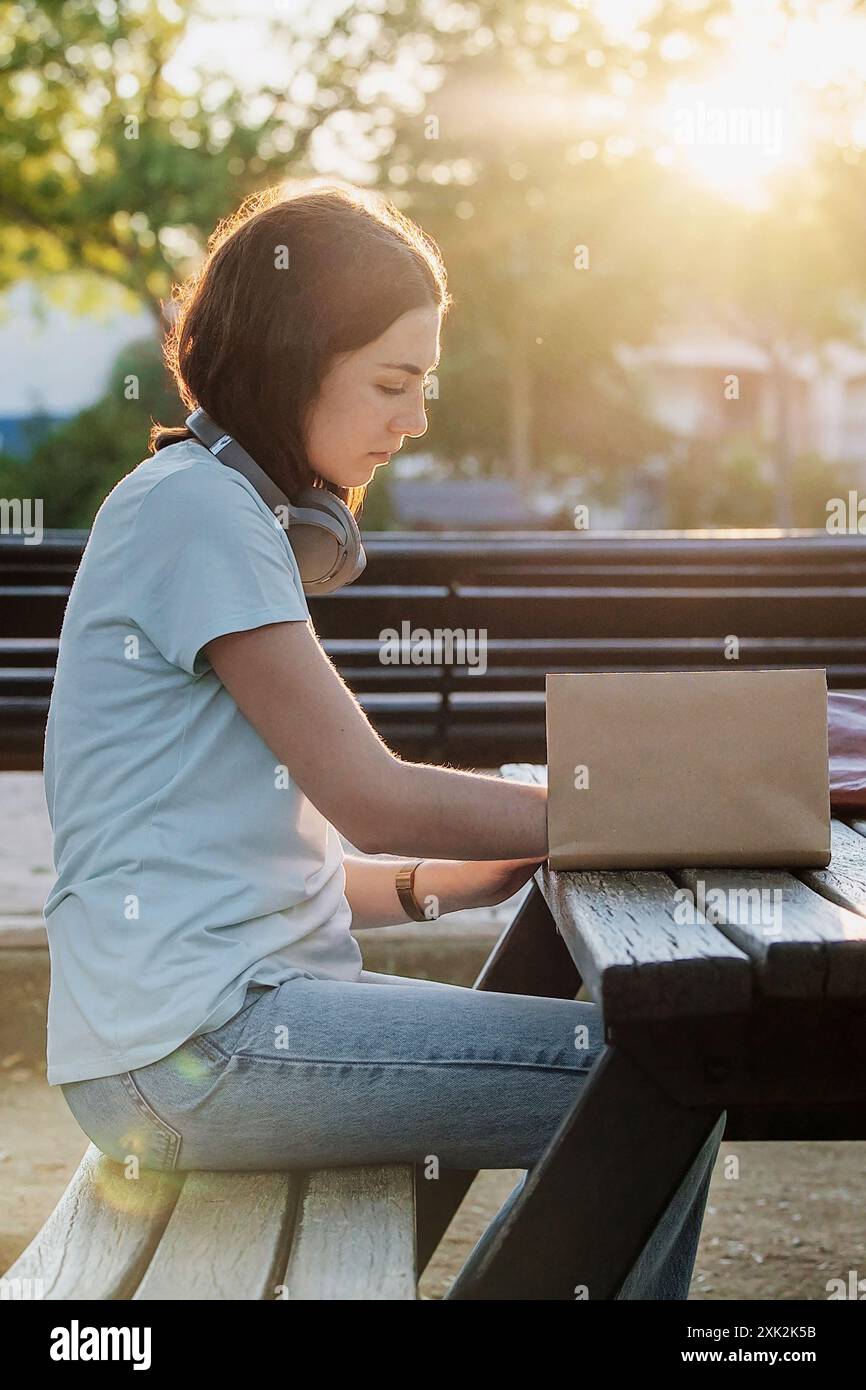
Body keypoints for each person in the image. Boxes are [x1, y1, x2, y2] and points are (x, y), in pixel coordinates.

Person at [48, 180, 723, 1298]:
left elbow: (230, 861)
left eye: (427, 385)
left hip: (185, 1040)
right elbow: (373, 793)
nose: (414, 421)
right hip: (190, 1056)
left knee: (656, 1080)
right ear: (286, 358)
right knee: (654, 1083)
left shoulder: (209, 508)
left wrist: (425, 887)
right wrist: (628, 811)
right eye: (390, 384)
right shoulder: (201, 516)